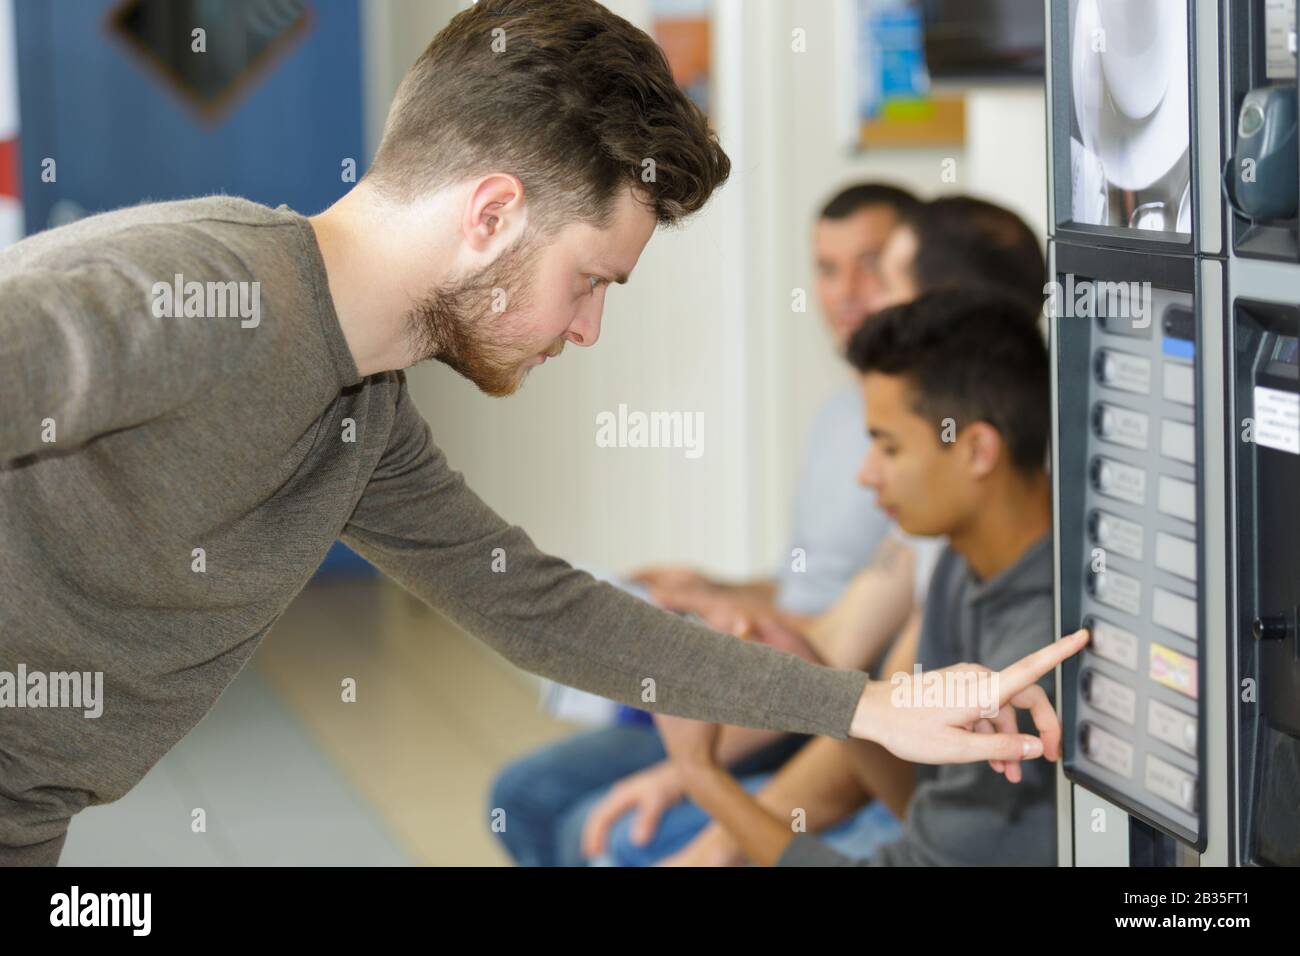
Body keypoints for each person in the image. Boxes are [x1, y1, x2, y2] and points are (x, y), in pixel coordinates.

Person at [0, 0, 1080, 866]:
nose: (589, 328)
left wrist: (878, 705)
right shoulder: (198, 292)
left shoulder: (361, 413)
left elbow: (545, 610)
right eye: (589, 280)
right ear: (490, 216)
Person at [491, 195, 1057, 867]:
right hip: (862, 750)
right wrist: (799, 662)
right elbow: (906, 763)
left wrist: (705, 786)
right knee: (543, 803)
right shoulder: (966, 556)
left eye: (882, 278)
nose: (866, 476)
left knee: (600, 835)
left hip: (846, 774)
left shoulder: (1011, 606)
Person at [656, 287, 1080, 865]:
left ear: (977, 450)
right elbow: (926, 813)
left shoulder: (1036, 649)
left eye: (888, 447)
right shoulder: (967, 557)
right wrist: (827, 680)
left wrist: (701, 774)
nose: (866, 474)